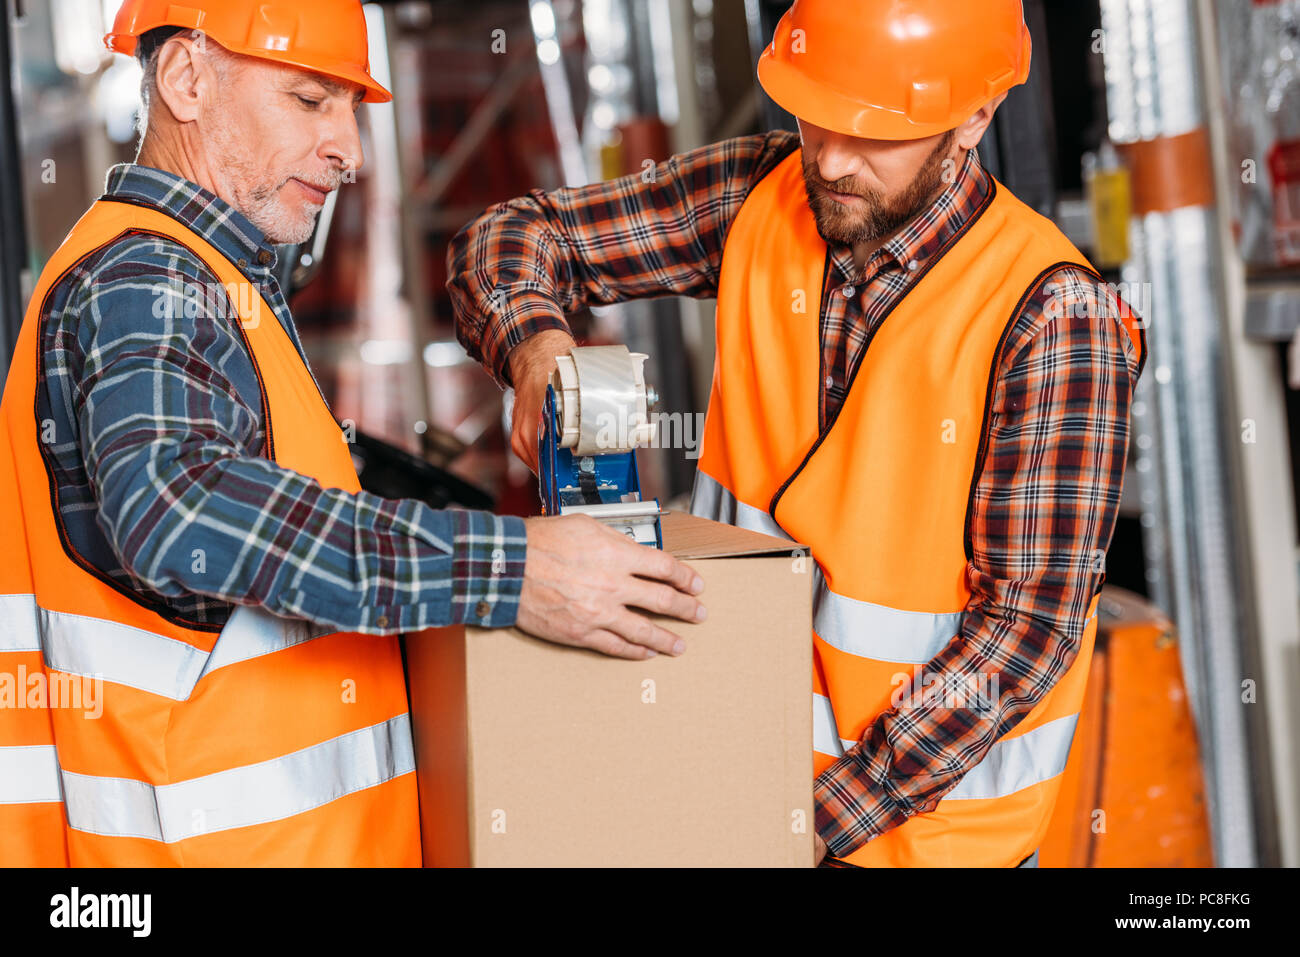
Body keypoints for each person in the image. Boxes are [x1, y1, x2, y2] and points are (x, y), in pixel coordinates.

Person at [0, 0, 704, 867]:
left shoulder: (218, 280)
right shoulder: (145, 277)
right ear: (186, 79)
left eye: (351, 110)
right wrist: (515, 570)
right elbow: (175, 508)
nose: (351, 152)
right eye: (308, 102)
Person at [448, 0, 1147, 867]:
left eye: (875, 132)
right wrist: (534, 345)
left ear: (975, 116)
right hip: (723, 791)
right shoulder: (764, 196)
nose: (833, 159)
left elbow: (1024, 633)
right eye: (817, 117)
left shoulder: (1054, 316)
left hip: (914, 840)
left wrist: (796, 826)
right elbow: (513, 236)